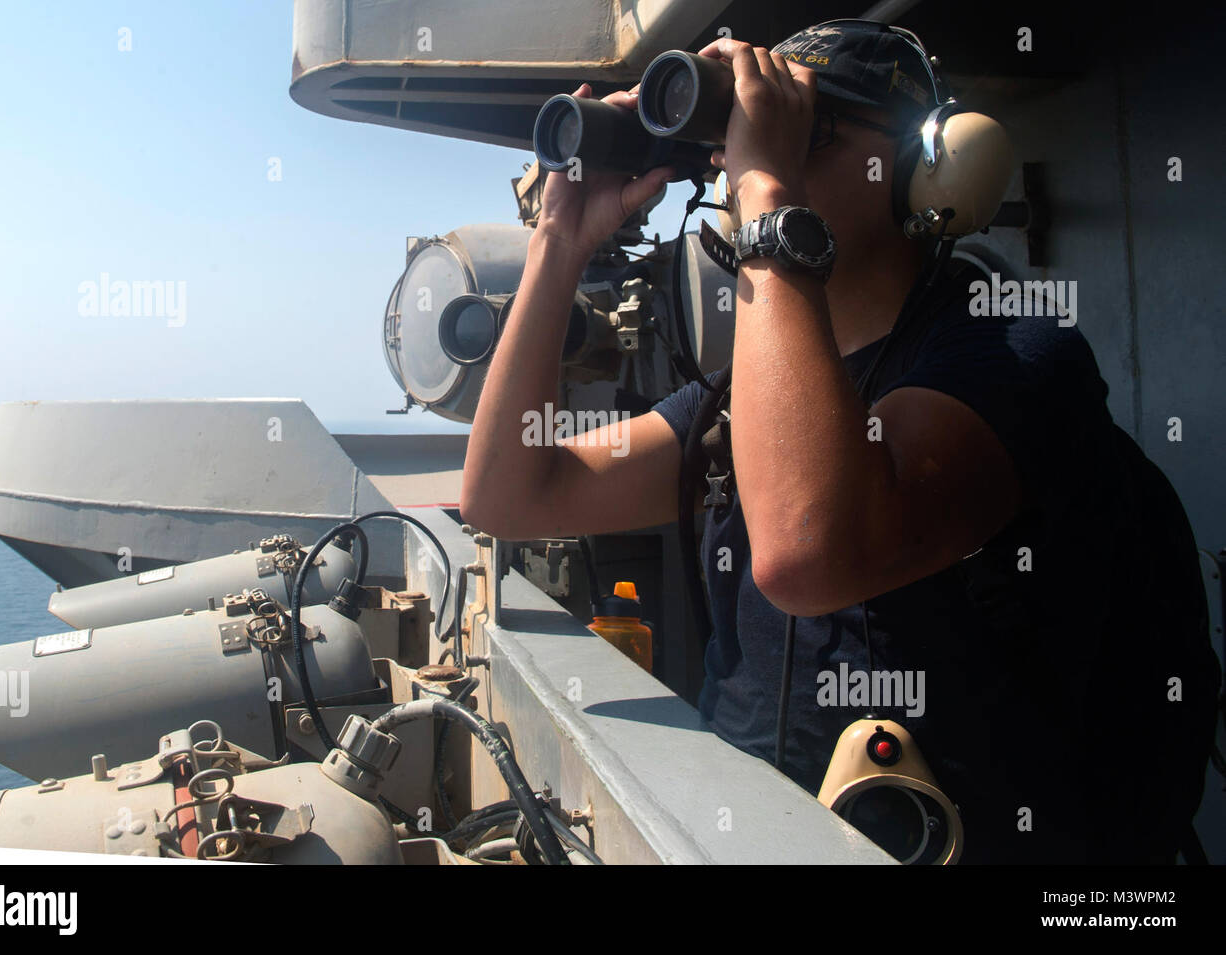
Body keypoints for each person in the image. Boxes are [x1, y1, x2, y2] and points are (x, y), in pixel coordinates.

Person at [461, 20, 1160, 862]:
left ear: (920, 167)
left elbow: (809, 552)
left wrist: (764, 185)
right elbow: (508, 495)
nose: (756, 154)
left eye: (808, 130)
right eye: (744, 134)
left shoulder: (1014, 355)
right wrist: (560, 241)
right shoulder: (726, 406)